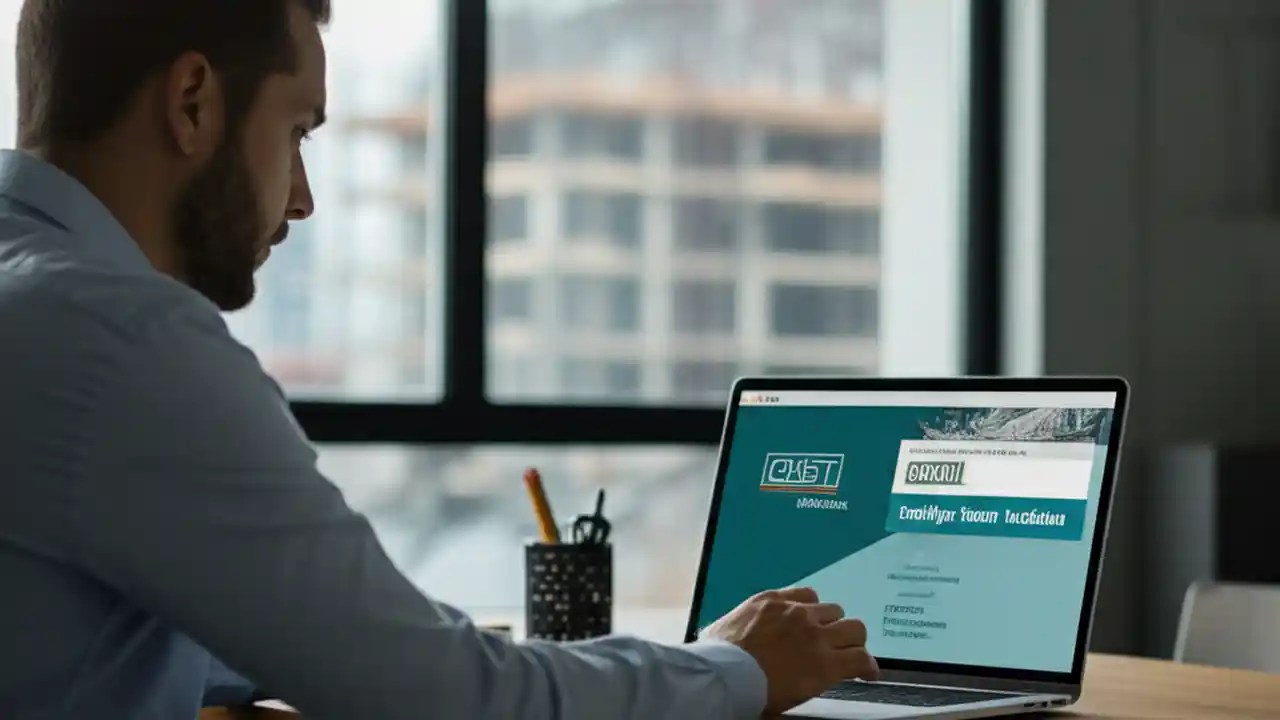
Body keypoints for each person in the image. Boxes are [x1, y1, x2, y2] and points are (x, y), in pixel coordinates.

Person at [0, 1, 879, 718]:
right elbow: (441, 700)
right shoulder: (126, 343)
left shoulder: (38, 302)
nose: (302, 200)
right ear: (192, 100)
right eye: (298, 129)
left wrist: (355, 644)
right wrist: (734, 667)